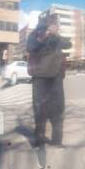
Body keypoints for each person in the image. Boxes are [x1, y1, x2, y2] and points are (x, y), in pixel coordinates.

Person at [25, 11, 67, 147]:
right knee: (40, 108)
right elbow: (30, 47)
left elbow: (68, 45)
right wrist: (45, 35)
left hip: (56, 76)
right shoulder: (36, 34)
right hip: (40, 77)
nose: (55, 26)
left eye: (55, 24)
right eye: (52, 23)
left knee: (58, 108)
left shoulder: (56, 37)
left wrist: (57, 35)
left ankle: (57, 140)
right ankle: (39, 140)